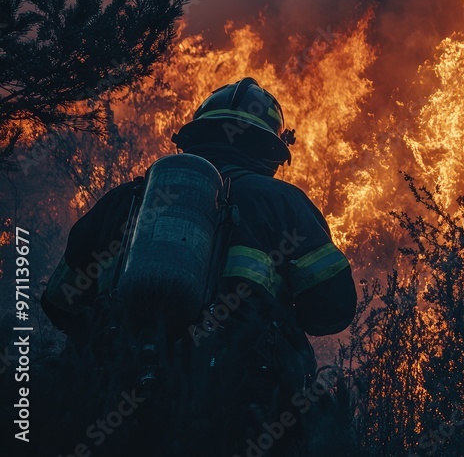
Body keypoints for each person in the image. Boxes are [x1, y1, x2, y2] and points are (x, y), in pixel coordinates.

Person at [40, 77, 357, 456]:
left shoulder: (121, 202)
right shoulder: (282, 202)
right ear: (270, 153)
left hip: (115, 402)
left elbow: (60, 303)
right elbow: (333, 309)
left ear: (193, 140)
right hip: (243, 411)